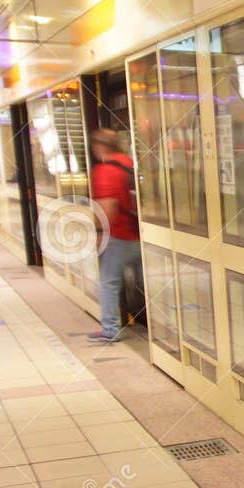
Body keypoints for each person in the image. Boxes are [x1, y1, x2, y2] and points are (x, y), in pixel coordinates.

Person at [86, 127, 142, 345]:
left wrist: (100, 233)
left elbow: (107, 206)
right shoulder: (130, 164)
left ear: (99, 147)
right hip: (139, 234)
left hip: (118, 235)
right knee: (142, 282)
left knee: (109, 282)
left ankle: (110, 330)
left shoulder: (104, 170)